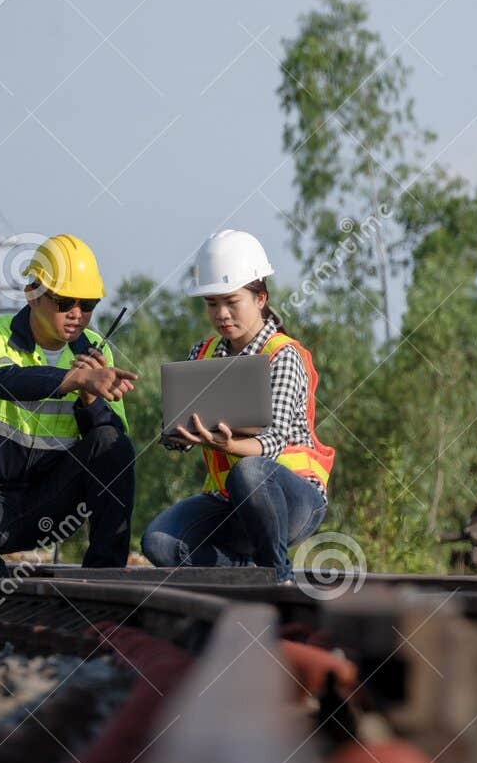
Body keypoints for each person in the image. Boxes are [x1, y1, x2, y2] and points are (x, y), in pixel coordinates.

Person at [0, 235, 137, 577]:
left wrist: (90, 401)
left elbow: (108, 445)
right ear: (32, 293)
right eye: (65, 301)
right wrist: (76, 381)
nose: (77, 315)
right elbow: (6, 381)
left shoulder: (97, 350)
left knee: (115, 445)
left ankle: (104, 577)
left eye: (88, 305)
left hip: (51, 507)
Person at [142, 229, 335, 582]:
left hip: (293, 499)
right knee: (159, 543)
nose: (222, 313)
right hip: (233, 503)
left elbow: (274, 441)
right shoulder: (201, 355)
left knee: (248, 470)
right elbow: (173, 431)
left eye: (232, 301)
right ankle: (250, 572)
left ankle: (278, 576)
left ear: (260, 298)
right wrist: (179, 435)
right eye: (212, 303)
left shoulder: (282, 355)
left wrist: (227, 444)